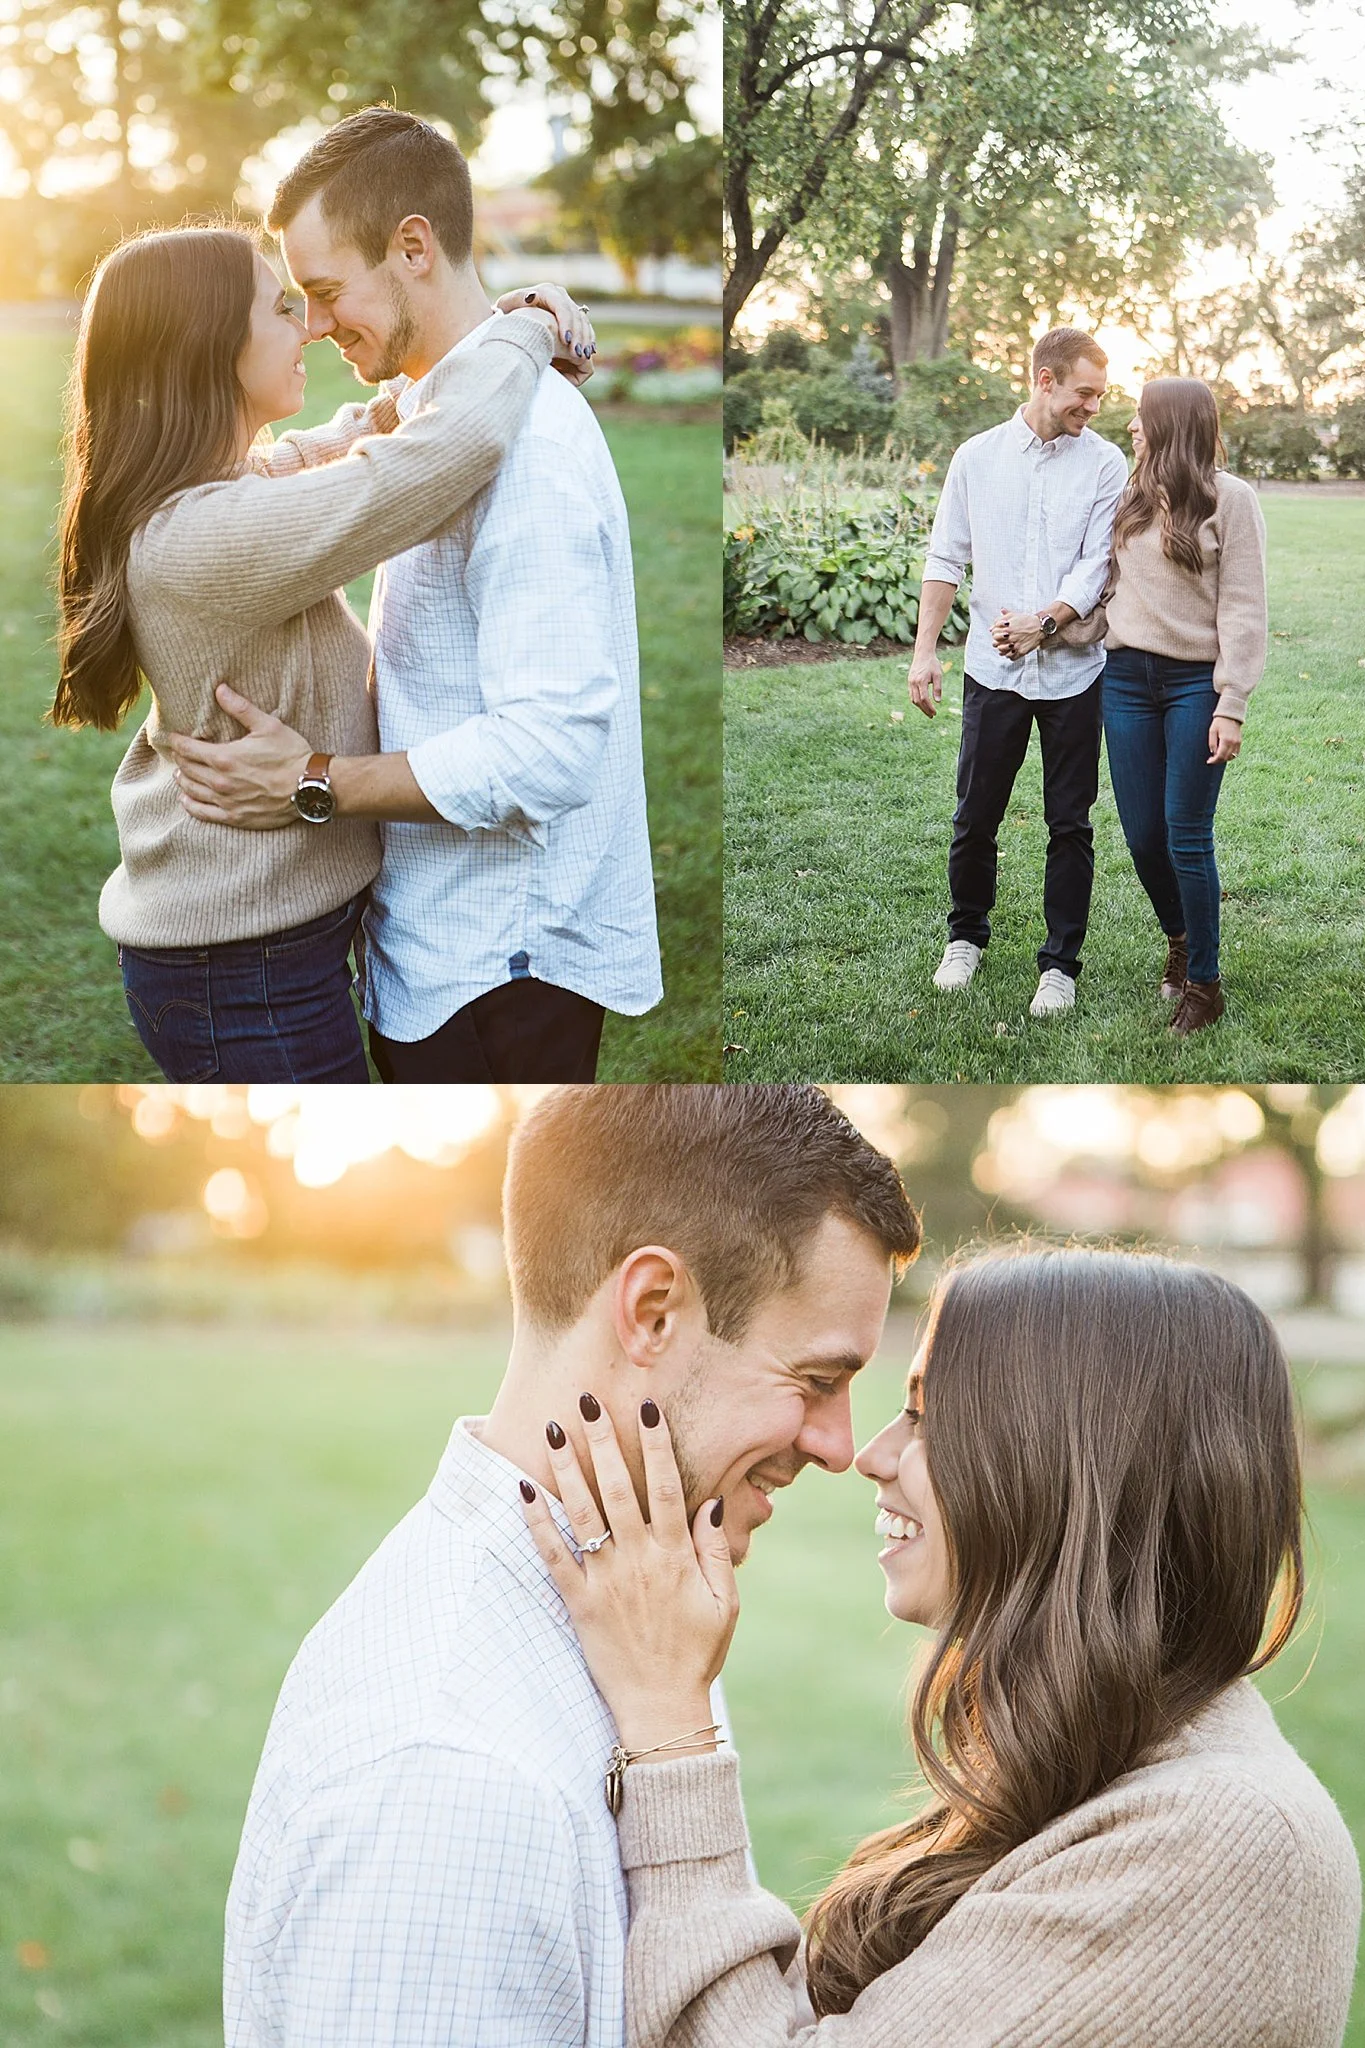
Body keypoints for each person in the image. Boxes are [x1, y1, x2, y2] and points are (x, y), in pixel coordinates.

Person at [523, 1246, 1362, 2048]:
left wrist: (671, 1724)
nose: (871, 1455)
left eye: (926, 1416)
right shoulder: (1106, 1754)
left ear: (1065, 1465)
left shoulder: (1230, 1843)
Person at [223, 1084, 921, 2048]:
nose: (842, 1446)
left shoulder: (646, 1621)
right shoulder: (450, 1788)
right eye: (815, 1381)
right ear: (652, 1310)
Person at [170, 107, 663, 1083]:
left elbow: (549, 746)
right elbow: (327, 463)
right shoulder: (443, 413)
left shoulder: (528, 455)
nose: (312, 325)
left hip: (499, 966)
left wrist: (311, 780)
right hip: (442, 945)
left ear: (412, 247)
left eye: (323, 291)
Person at [54, 217, 587, 1082]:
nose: (311, 326)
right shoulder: (205, 536)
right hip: (239, 969)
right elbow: (430, 463)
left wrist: (407, 391)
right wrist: (523, 328)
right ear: (208, 345)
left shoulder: (207, 493)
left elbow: (311, 456)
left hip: (254, 952)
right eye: (279, 309)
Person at [908, 327, 1128, 1019]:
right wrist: (924, 652)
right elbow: (945, 558)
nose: (1093, 407)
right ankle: (966, 937)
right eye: (1083, 393)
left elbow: (1098, 564)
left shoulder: (1105, 463)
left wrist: (1047, 622)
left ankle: (1060, 964)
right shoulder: (977, 458)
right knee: (976, 815)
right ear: (1044, 380)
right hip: (991, 672)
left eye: (1101, 395)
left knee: (1071, 823)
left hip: (1073, 674)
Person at [1101, 377, 1268, 1037]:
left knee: (1185, 832)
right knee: (1143, 835)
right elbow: (1109, 591)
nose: (1132, 429)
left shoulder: (1232, 499)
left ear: (1170, 425)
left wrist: (1232, 702)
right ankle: (1178, 935)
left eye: (1141, 420)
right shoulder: (1129, 498)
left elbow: (1245, 606)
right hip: (1125, 681)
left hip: (1197, 683)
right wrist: (1050, 628)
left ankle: (1204, 984)